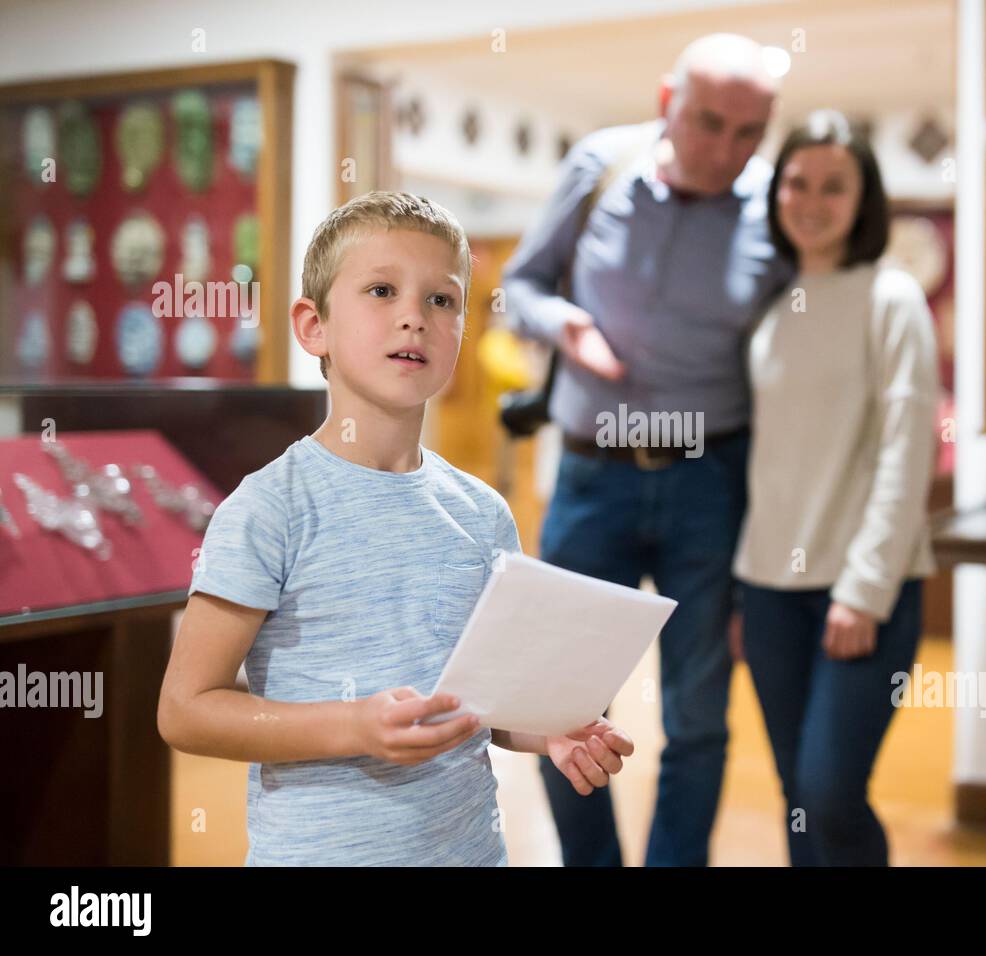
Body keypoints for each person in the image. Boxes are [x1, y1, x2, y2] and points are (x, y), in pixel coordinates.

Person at [157, 191, 634, 866]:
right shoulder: (269, 509)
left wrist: (549, 729)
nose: (414, 316)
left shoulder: (483, 513)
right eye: (382, 291)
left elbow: (483, 703)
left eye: (442, 300)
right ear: (313, 325)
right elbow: (185, 709)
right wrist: (353, 725)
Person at [502, 33, 794, 866]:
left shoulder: (773, 204)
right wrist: (569, 327)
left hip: (714, 480)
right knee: (560, 698)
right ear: (668, 99)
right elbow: (519, 285)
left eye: (750, 133)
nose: (727, 151)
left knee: (698, 713)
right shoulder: (600, 166)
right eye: (709, 123)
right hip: (595, 477)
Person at [732, 111, 940, 866]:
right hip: (768, 591)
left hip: (861, 592)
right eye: (796, 181)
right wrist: (739, 592)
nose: (810, 200)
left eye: (834, 185)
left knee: (830, 791)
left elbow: (906, 452)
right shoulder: (767, 309)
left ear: (865, 199)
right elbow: (759, 461)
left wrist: (865, 589)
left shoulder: (892, 300)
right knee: (796, 797)